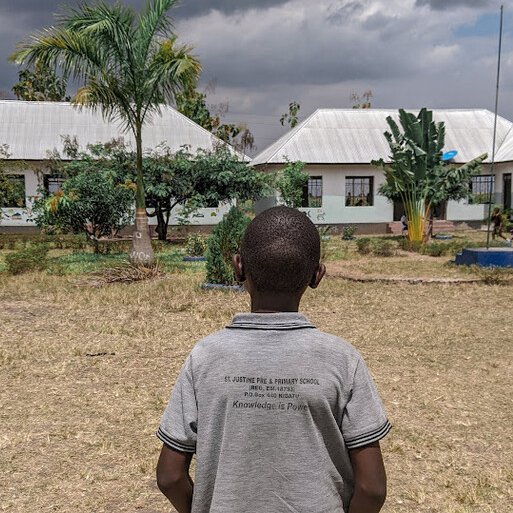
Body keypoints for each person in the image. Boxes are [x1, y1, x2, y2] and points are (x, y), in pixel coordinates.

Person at [155, 206, 390, 513]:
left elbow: (170, 477)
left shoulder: (205, 357)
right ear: (317, 275)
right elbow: (372, 488)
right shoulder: (343, 360)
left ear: (238, 267)